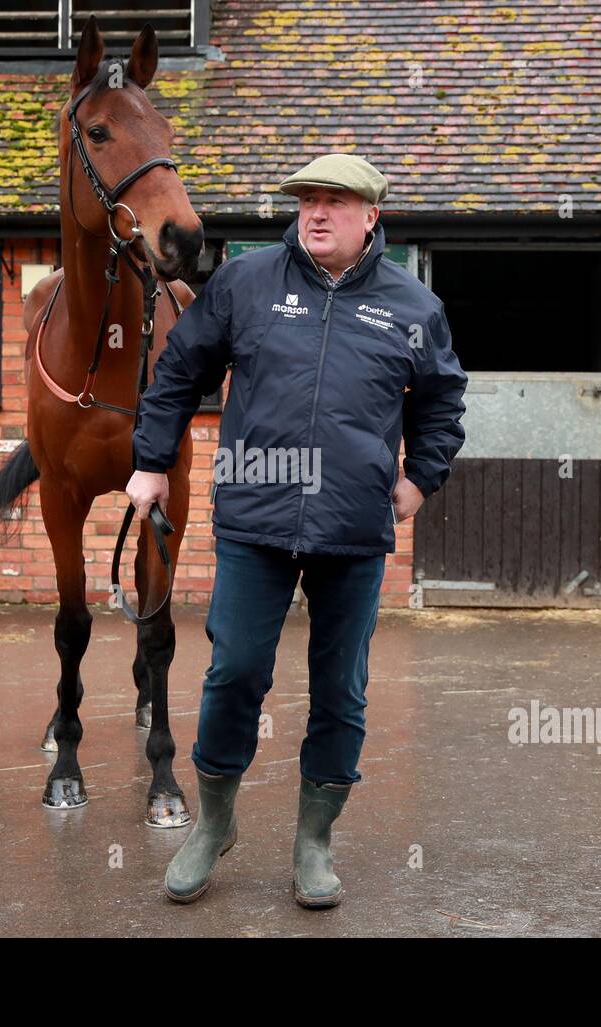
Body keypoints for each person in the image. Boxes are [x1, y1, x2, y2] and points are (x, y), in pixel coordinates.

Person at [126, 153, 468, 908]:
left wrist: (419, 477)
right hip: (256, 517)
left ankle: (314, 840)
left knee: (341, 690)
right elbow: (179, 370)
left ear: (371, 216)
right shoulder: (246, 283)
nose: (317, 213)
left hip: (352, 527)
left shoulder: (413, 307)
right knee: (236, 670)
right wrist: (151, 462)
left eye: (336, 202)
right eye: (308, 200)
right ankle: (214, 824)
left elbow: (442, 401)